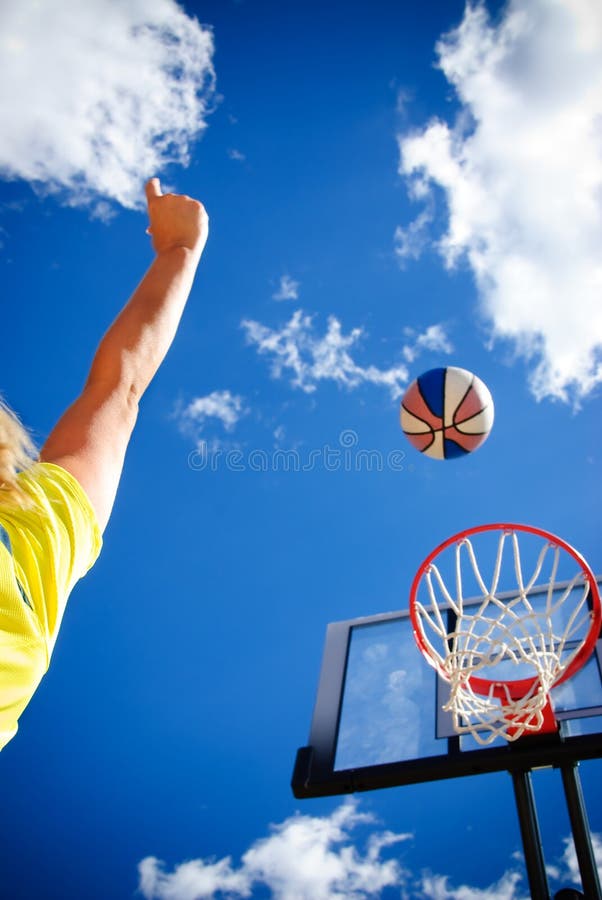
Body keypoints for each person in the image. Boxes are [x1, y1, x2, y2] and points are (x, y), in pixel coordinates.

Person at [0, 178, 209, 750]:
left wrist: (179, 252)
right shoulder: (31, 553)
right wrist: (180, 251)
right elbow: (119, 389)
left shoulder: (32, 541)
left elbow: (118, 391)